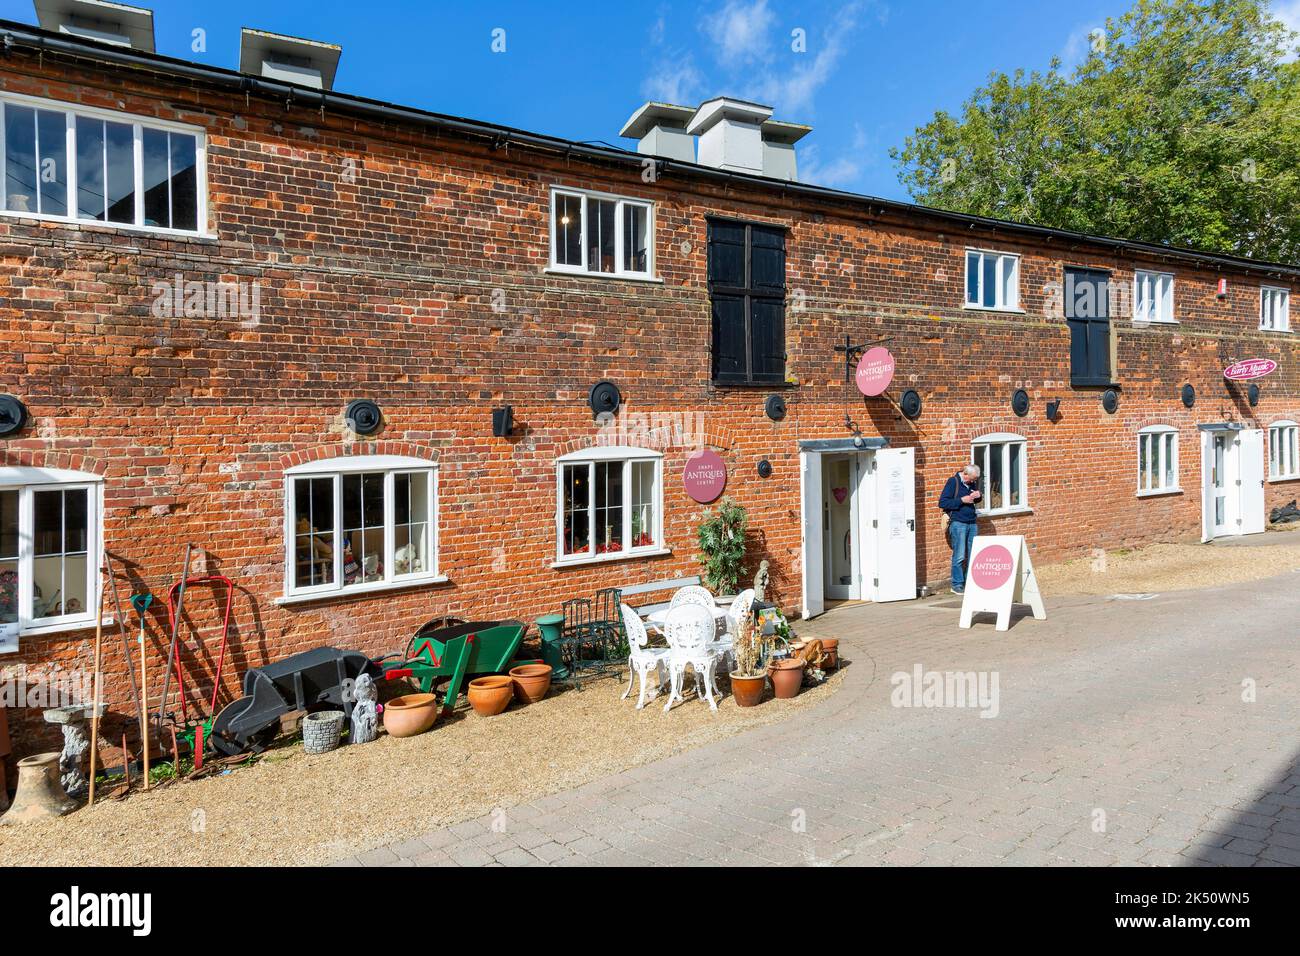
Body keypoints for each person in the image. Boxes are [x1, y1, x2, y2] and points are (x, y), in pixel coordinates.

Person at [938, 464, 982, 593]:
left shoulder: (971, 483)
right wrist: (962, 500)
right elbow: (943, 503)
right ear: (965, 474)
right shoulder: (953, 482)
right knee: (960, 555)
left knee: (973, 554)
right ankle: (957, 585)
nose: (974, 482)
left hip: (972, 522)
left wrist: (978, 496)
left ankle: (971, 582)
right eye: (972, 479)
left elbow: (974, 500)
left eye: (975, 480)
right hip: (958, 523)